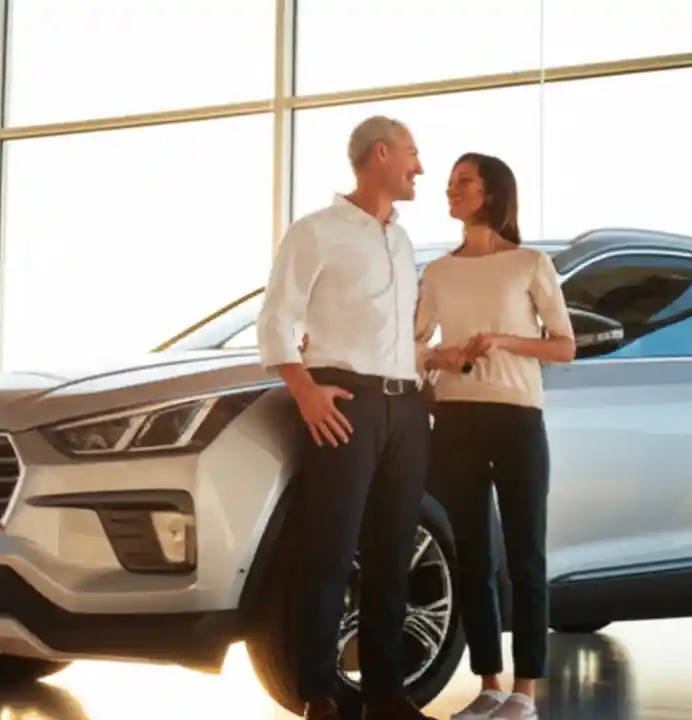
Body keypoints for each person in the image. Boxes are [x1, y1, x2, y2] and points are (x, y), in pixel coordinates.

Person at [257, 116, 434, 720]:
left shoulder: (402, 241)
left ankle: (386, 693)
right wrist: (304, 390)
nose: (420, 167)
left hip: (405, 407)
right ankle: (317, 695)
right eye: (412, 153)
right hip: (345, 404)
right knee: (328, 551)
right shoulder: (315, 231)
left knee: (393, 552)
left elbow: (399, 333)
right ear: (380, 153)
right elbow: (276, 318)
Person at [415, 153, 576, 720]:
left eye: (463, 181)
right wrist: (440, 356)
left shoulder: (530, 264)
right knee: (471, 559)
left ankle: (524, 693)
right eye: (449, 181)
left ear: (491, 193)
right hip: (455, 420)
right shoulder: (438, 273)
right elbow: (413, 346)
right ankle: (488, 686)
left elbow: (564, 345)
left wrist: (503, 341)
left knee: (526, 556)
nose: (450, 189)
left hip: (517, 420)